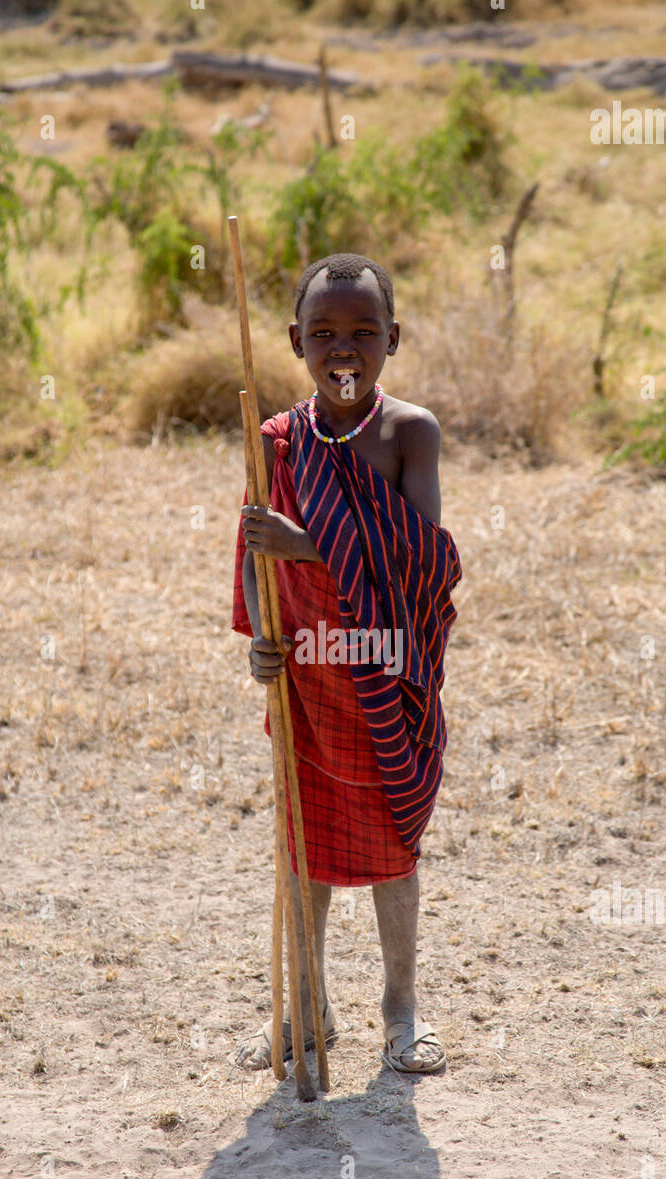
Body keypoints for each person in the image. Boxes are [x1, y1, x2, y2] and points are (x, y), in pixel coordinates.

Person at [230, 252, 461, 1074]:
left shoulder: (411, 433)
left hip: (386, 674)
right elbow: (253, 555)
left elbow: (422, 564)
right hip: (305, 678)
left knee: (395, 844)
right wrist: (263, 635)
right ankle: (306, 1010)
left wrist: (312, 545)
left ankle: (401, 1010)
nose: (344, 349)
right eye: (324, 333)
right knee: (305, 848)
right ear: (295, 341)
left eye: (364, 333)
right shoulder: (276, 441)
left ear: (392, 339)